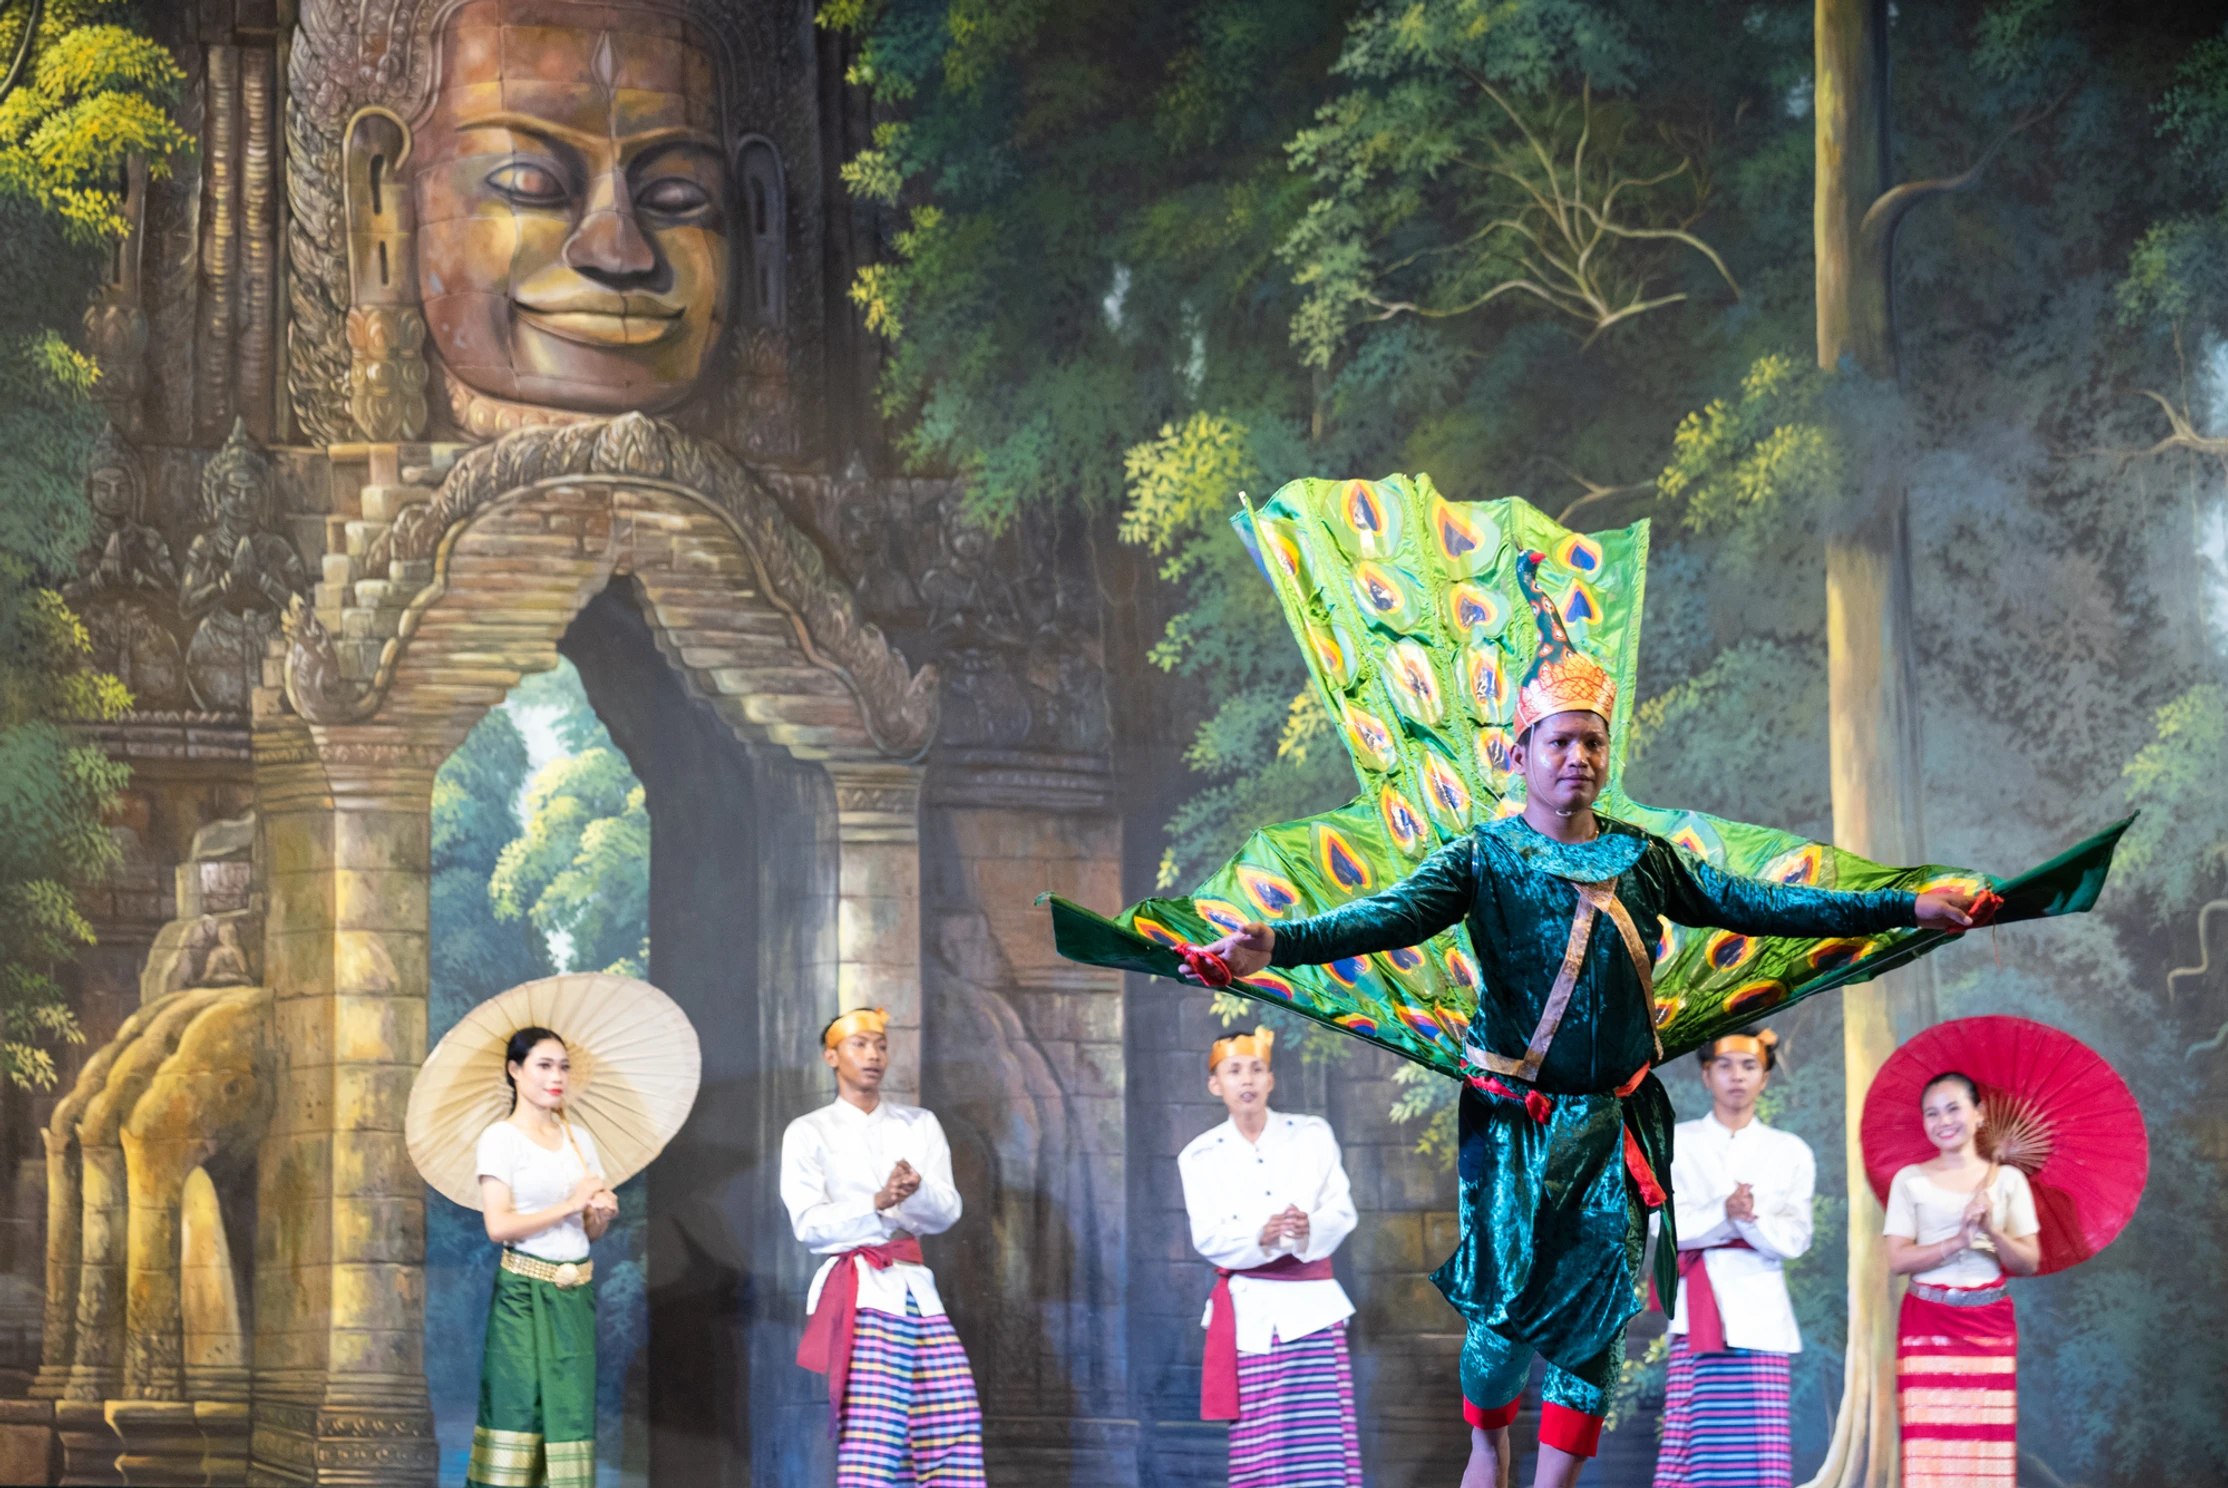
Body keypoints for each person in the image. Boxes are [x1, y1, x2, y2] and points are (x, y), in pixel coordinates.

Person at [1192, 552, 1984, 1488]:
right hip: (1514, 1127)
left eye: (1592, 744)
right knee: (1499, 1327)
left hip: (1614, 1125)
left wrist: (1903, 907)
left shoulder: (1644, 860)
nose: (1577, 759)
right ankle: (1486, 1452)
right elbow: (1386, 917)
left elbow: (1773, 904)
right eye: (1559, 742)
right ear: (1520, 755)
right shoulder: (1481, 858)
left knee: (1596, 1323)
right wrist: (1272, 943)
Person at [782, 1008, 985, 1487]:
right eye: (859, 1045)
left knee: (951, 1416)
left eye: (880, 1045)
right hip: (863, 1294)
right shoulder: (809, 1131)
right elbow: (809, 1225)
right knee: (876, 1434)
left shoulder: (918, 1124)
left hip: (916, 1289)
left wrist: (914, 1191)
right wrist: (877, 1202)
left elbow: (948, 1210)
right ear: (831, 1056)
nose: (872, 1055)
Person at [1179, 1025, 1363, 1488]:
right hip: (1250, 1315)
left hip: (1312, 1310)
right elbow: (1208, 1236)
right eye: (1234, 1070)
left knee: (1321, 1441)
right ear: (1215, 1084)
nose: (1247, 1081)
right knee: (1262, 1443)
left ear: (1270, 1080)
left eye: (1256, 1070)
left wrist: (1309, 1229)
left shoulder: (1312, 1135)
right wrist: (1258, 1235)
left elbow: (1341, 1210)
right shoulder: (1200, 1156)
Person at [1654, 1030, 1812, 1488]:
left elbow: (1797, 1238)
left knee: (1760, 1455)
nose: (1737, 1076)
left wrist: (1749, 1220)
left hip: (1762, 1315)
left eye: (1749, 1066)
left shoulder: (1789, 1151)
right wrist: (1724, 1213)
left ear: (1765, 1078)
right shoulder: (1677, 1143)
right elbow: (1661, 1227)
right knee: (1690, 1446)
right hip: (1695, 1314)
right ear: (1706, 1075)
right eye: (1725, 1066)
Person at [469, 1026, 619, 1488]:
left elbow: (587, 1233)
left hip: (574, 1296)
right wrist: (572, 1204)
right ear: (515, 1071)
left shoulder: (580, 1139)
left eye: (564, 1067)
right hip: (522, 1295)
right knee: (519, 1409)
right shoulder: (500, 1138)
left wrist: (601, 1213)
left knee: (569, 1416)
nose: (557, 1077)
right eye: (544, 1065)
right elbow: (498, 1226)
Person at [1884, 1071, 2040, 1488]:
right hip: (1926, 1323)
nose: (1943, 1121)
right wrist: (1957, 1241)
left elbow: (2029, 1262)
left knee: (1985, 1444)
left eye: (1954, 1108)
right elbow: (1897, 1259)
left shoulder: (2007, 1181)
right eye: (1931, 1113)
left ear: (1979, 1114)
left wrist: (1991, 1229)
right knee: (1930, 1444)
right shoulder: (1909, 1180)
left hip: (1989, 1323)